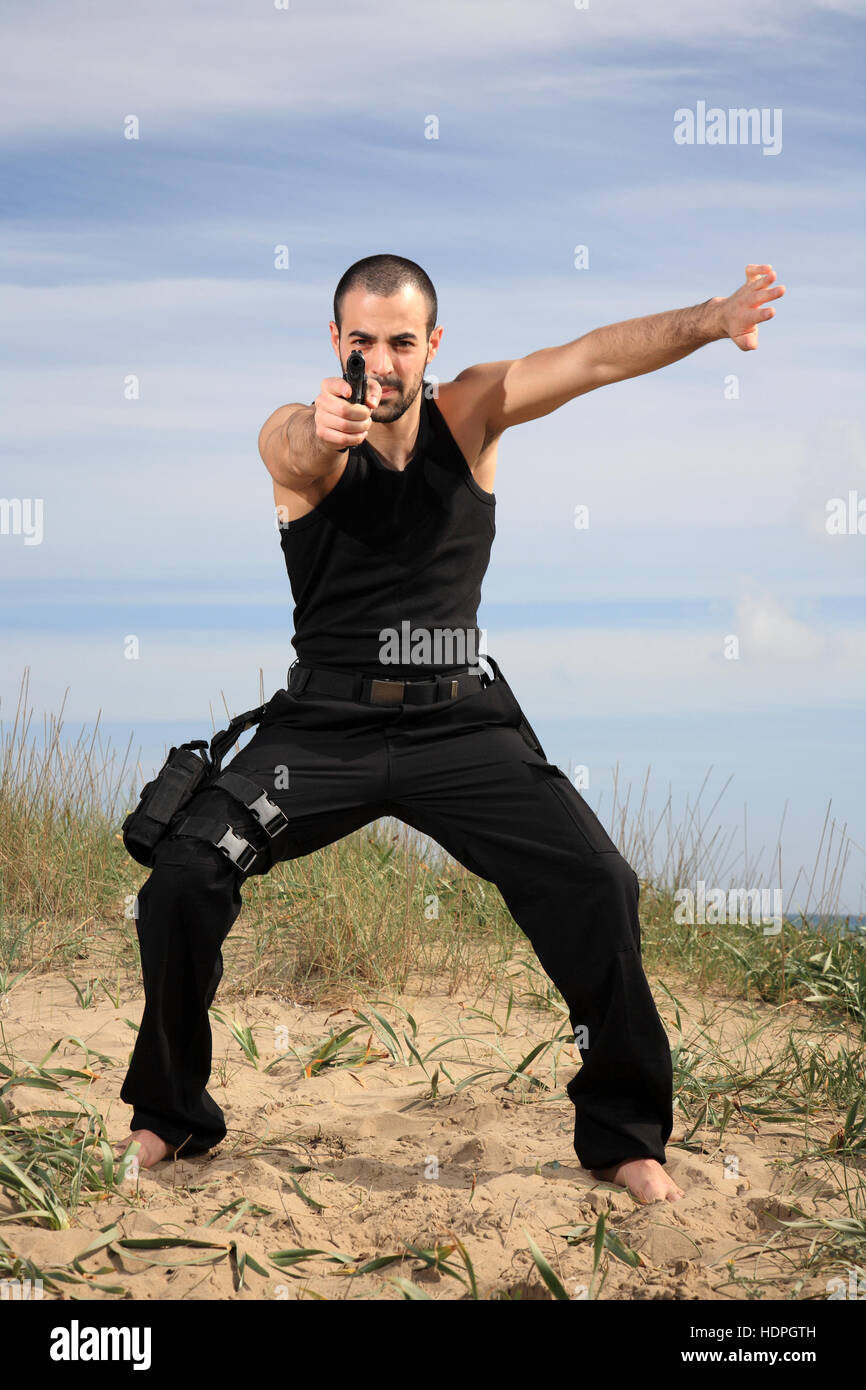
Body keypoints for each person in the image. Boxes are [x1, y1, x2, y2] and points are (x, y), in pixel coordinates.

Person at [117, 253, 784, 1204]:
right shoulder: (297, 431)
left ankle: (624, 1133)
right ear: (335, 345)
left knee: (599, 881)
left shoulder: (471, 411)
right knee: (183, 879)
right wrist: (323, 426)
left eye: (400, 341)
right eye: (361, 342)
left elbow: (595, 357)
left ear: (433, 343)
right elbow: (295, 448)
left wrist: (713, 317)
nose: (380, 363)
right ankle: (170, 1113)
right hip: (324, 727)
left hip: (459, 724)